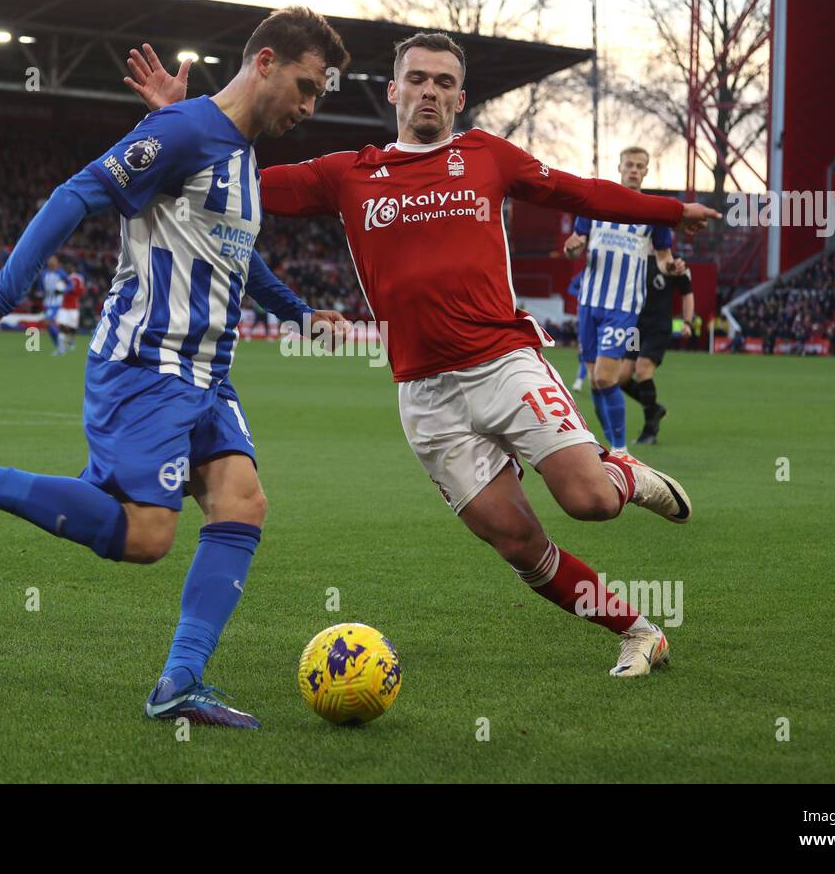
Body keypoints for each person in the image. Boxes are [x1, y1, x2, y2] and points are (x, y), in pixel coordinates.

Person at [128, 33, 719, 677]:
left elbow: (577, 193)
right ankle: (639, 632)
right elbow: (227, 184)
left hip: (504, 364)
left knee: (592, 503)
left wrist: (668, 209)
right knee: (519, 543)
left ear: (460, 98)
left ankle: (623, 474)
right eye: (417, 79)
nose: (429, 91)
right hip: (425, 396)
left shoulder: (486, 156)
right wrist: (171, 120)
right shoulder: (347, 173)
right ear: (394, 91)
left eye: (443, 82)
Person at [0, 7, 351, 727]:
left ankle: (178, 683)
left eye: (320, 97)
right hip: (147, 364)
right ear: (266, 61)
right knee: (147, 537)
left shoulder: (236, 151)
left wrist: (301, 314)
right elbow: (75, 194)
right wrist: (1, 294)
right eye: (305, 87)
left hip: (207, 372)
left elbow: (234, 257)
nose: (309, 108)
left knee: (242, 502)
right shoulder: (184, 132)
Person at [562, 147, 687, 456]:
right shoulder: (594, 205)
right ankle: (610, 449)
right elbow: (576, 247)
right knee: (594, 381)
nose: (633, 170)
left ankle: (620, 451)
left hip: (624, 305)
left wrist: (671, 267)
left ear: (646, 172)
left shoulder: (653, 213)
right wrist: (572, 247)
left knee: (606, 376)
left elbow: (663, 259)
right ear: (618, 167)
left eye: (639, 166)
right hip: (590, 302)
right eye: (629, 164)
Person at [619, 254, 694, 444]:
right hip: (634, 328)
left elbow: (687, 293)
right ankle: (654, 408)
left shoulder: (675, 264)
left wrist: (687, 322)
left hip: (657, 328)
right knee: (620, 378)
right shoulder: (635, 258)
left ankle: (650, 430)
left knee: (643, 369)